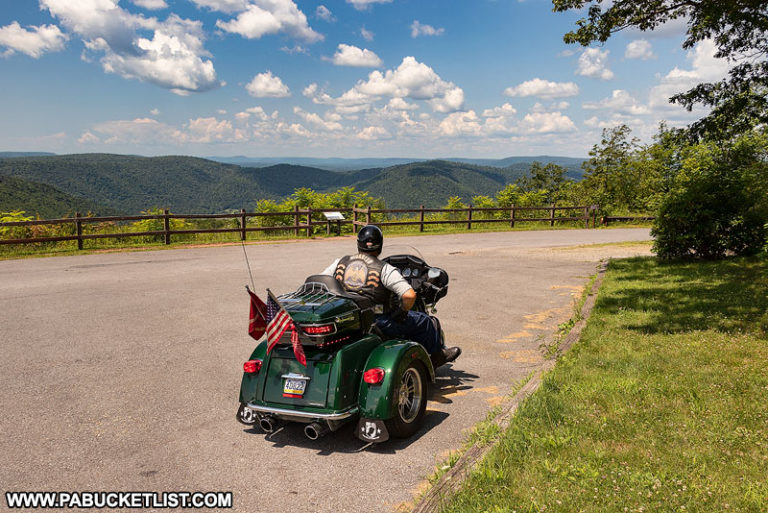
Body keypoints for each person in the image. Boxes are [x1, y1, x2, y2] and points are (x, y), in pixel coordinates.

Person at [321, 225, 461, 368]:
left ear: (358, 244)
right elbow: (409, 295)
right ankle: (437, 356)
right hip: (376, 321)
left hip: (348, 318)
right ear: (380, 246)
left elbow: (320, 281)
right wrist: (401, 312)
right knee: (424, 321)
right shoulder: (384, 269)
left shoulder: (340, 262)